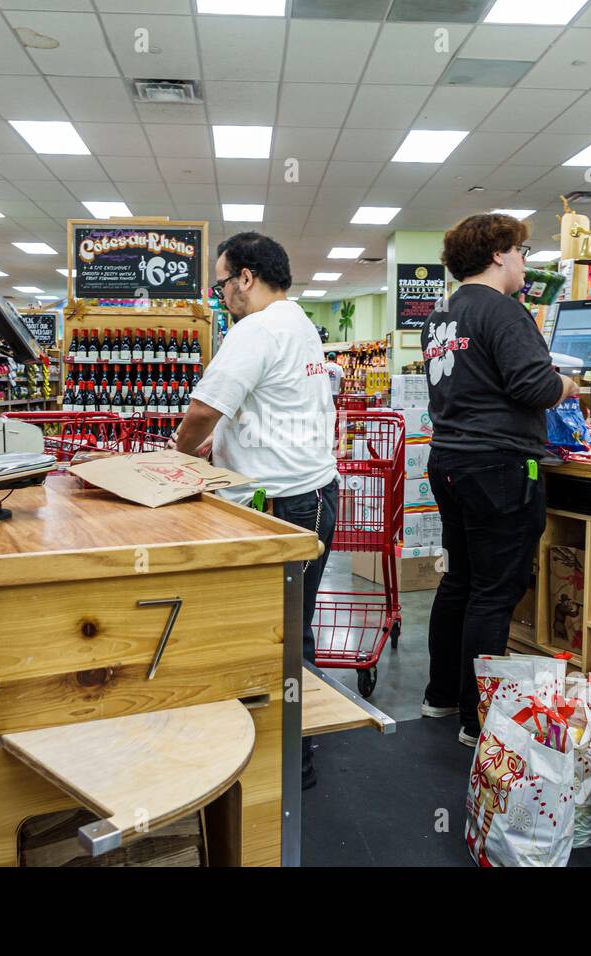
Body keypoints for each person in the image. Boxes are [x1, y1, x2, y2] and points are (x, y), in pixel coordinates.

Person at [173, 231, 337, 789]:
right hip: (312, 497)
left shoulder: (256, 329)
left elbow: (203, 409)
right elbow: (266, 405)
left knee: (279, 634)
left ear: (246, 276)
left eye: (222, 285)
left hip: (281, 506)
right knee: (292, 628)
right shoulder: (299, 322)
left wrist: (177, 461)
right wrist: (220, 447)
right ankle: (293, 749)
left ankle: (291, 760)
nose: (221, 297)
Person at [419, 213, 578, 746]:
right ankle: (478, 721)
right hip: (500, 467)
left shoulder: (442, 314)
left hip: (450, 462)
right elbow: (532, 385)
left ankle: (441, 696)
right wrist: (568, 385)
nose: (524, 262)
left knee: (460, 581)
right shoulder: (506, 312)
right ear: (498, 254)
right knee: (494, 590)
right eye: (522, 252)